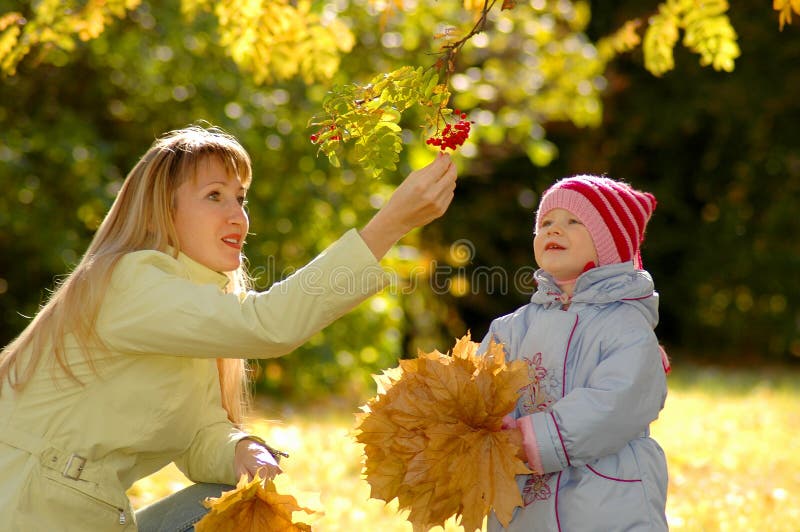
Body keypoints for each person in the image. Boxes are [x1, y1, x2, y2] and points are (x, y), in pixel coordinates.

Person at [0, 124, 457, 531]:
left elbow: (198, 433)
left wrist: (240, 447)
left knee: (226, 507)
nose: (238, 215)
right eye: (214, 195)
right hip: (27, 510)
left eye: (240, 198)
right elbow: (270, 325)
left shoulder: (191, 310)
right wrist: (390, 224)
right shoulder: (129, 281)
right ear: (164, 211)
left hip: (94, 515)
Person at [479, 175, 670, 531]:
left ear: (609, 244)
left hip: (603, 501)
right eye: (546, 222)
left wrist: (529, 439)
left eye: (573, 221)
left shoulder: (626, 327)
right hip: (525, 500)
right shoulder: (511, 328)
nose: (554, 230)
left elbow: (616, 401)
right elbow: (478, 386)